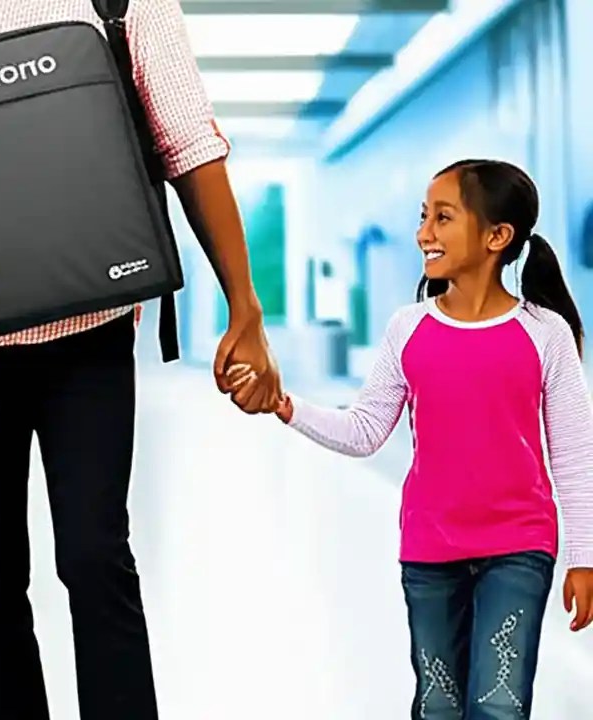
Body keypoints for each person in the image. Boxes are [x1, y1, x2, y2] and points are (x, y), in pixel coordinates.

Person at [0, 1, 281, 717]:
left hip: (91, 332)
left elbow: (188, 142)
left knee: (96, 560)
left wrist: (243, 304)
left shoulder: (123, 4)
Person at [244, 159, 593, 719]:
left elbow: (574, 456)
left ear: (497, 237)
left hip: (519, 550)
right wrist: (286, 407)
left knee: (498, 708)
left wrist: (584, 557)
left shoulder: (543, 332)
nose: (424, 232)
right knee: (437, 707)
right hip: (430, 553)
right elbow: (363, 432)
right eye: (424, 216)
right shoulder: (409, 328)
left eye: (443, 217)